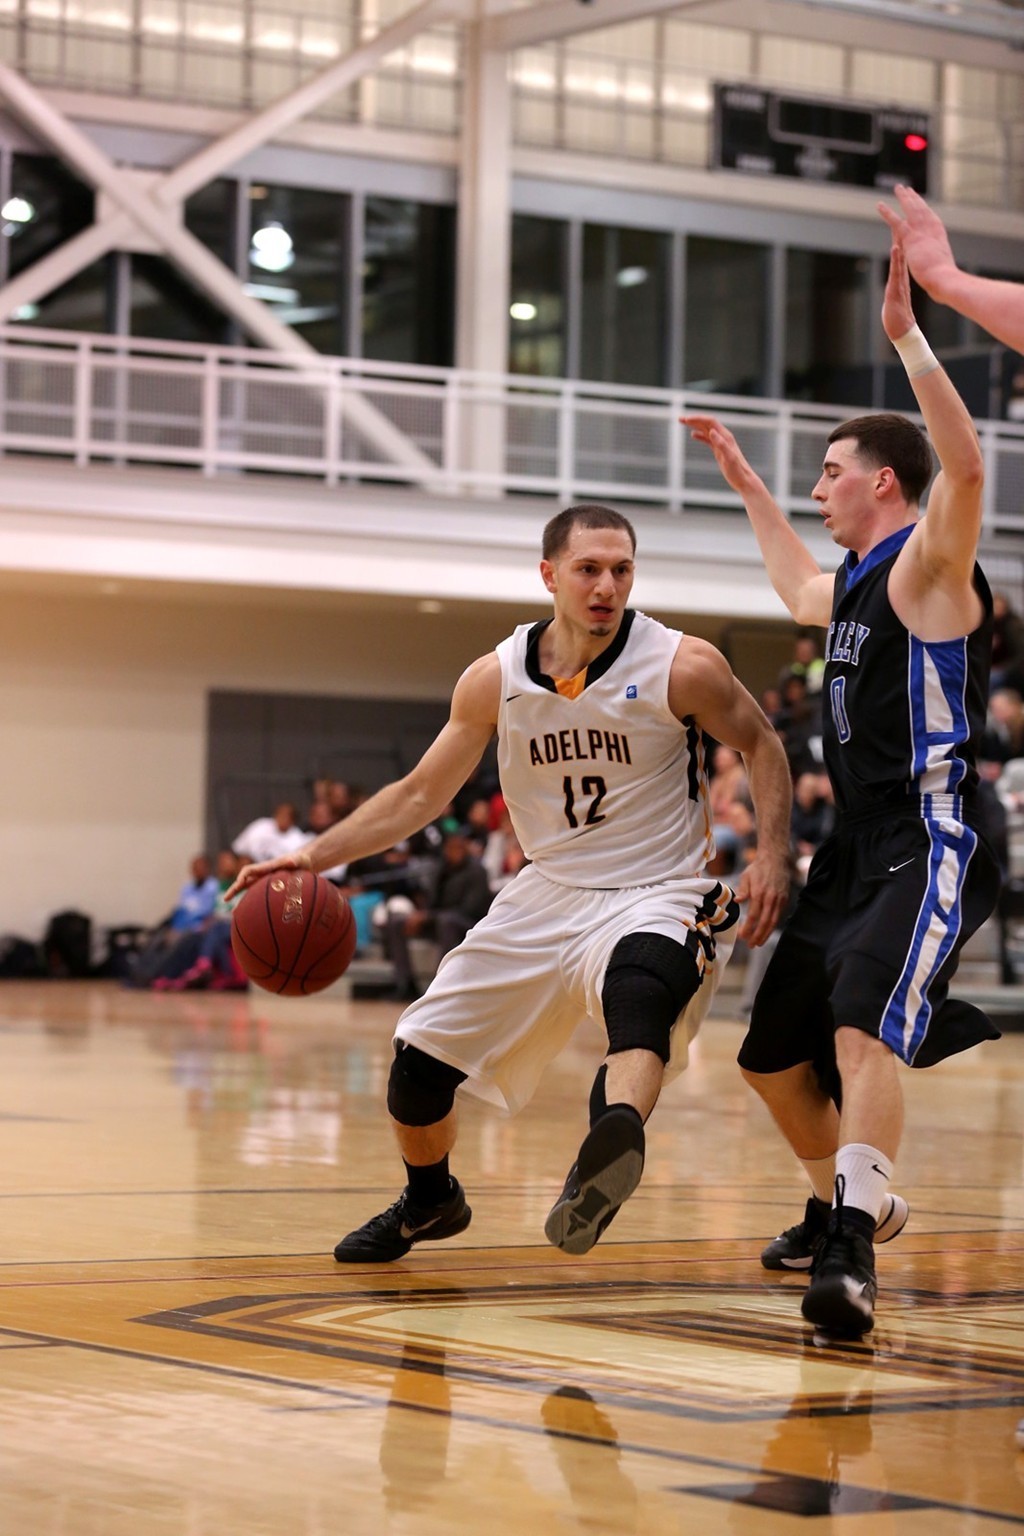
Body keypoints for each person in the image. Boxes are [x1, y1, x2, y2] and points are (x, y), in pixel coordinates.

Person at [227, 505, 791, 1263]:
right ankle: (430, 1200)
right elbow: (419, 794)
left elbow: (761, 742)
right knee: (417, 1068)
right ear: (550, 575)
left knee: (640, 991)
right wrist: (310, 858)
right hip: (547, 890)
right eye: (589, 569)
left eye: (621, 569)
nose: (607, 586)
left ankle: (604, 1153)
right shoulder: (496, 678)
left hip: (659, 886)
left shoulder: (680, 664)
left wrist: (772, 854)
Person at [681, 231, 1001, 1339]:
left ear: (879, 481)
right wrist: (749, 484)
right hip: (856, 843)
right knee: (772, 1060)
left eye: (826, 471)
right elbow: (795, 583)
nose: (818, 487)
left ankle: (852, 1251)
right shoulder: (858, 579)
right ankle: (851, 1202)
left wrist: (911, 334)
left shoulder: (926, 565)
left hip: (934, 828)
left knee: (860, 1028)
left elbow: (962, 468)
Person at [382, 831, 494, 1001]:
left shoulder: (478, 872)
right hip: (438, 920)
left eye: (457, 848)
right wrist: (420, 915)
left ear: (464, 849)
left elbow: (471, 909)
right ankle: (405, 983)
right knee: (397, 921)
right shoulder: (440, 869)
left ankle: (441, 986)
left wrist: (428, 916)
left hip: (469, 924)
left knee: (446, 921)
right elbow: (431, 902)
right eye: (450, 848)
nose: (453, 852)